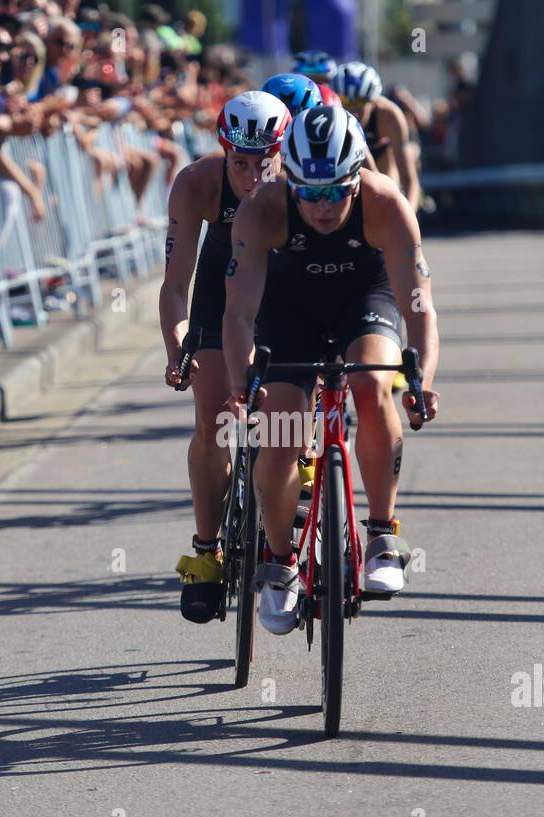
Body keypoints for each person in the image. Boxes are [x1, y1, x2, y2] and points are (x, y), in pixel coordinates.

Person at [220, 105, 440, 634]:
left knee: (371, 382)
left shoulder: (385, 202)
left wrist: (423, 380)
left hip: (363, 298)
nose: (323, 206)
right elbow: (239, 312)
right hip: (287, 309)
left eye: (336, 191)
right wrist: (238, 387)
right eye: (310, 192)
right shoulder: (261, 209)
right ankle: (280, 563)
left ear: (356, 179)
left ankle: (383, 532)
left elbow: (419, 306)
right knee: (282, 429)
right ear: (290, 180)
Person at [162, 90, 290, 621]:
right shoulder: (196, 183)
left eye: (265, 162)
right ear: (223, 152)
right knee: (214, 420)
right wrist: (177, 349)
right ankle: (208, 552)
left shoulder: (302, 185)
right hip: (219, 294)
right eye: (241, 163)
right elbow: (175, 285)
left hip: (284, 291)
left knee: (285, 419)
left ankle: (294, 480)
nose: (253, 175)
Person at [336, 61, 420, 212]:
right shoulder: (332, 111)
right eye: (347, 101)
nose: (353, 110)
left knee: (386, 193)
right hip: (348, 157)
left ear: (372, 100)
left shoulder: (390, 116)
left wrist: (408, 215)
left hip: (380, 155)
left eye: (360, 102)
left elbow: (408, 177)